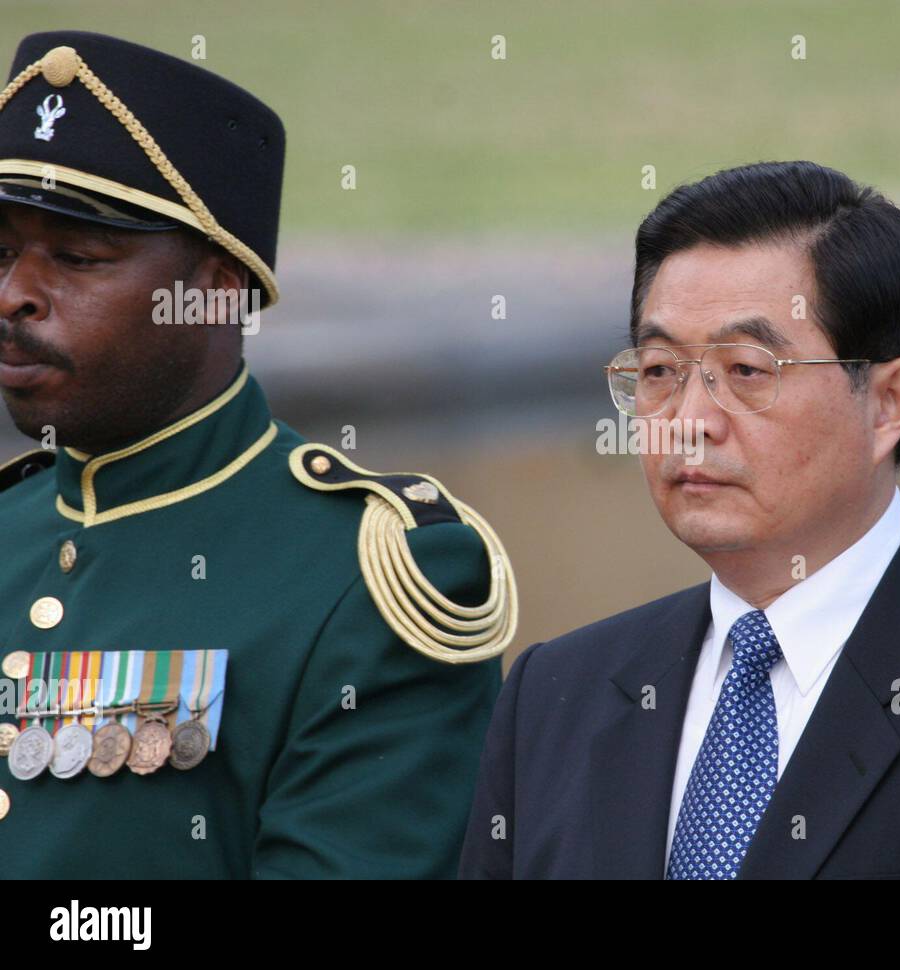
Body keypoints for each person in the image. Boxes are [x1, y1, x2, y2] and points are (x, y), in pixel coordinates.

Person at [460, 160, 900, 879]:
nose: (688, 422)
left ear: (888, 403)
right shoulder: (556, 696)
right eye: (659, 372)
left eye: (747, 371)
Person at [0, 31, 517, 878]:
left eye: (77, 257)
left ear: (215, 288)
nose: (15, 292)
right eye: (1, 251)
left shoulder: (375, 578)